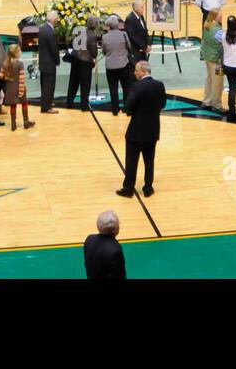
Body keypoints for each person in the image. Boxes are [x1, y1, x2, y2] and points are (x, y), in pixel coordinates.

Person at [117, 60, 166, 198]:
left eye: (137, 70)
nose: (134, 72)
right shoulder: (159, 85)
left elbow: (129, 106)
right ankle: (148, 187)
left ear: (143, 71)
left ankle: (128, 189)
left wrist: (132, 110)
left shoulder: (136, 86)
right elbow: (163, 104)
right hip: (153, 129)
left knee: (131, 161)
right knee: (149, 161)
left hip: (136, 130)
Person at [101, 15, 133, 116]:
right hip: (123, 65)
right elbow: (129, 47)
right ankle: (128, 109)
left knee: (113, 89)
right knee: (126, 88)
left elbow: (104, 51)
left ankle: (115, 110)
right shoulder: (124, 34)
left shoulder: (105, 37)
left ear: (108, 26)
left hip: (110, 67)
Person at [66, 16, 99, 111]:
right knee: (85, 85)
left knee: (73, 83)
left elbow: (72, 43)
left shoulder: (80, 31)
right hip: (85, 63)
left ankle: (69, 103)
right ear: (95, 25)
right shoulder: (92, 35)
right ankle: (84, 106)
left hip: (75, 60)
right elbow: (94, 53)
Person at [0, 43, 34, 131]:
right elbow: (22, 79)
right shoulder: (20, 64)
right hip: (19, 88)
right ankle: (26, 122)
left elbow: (1, 75)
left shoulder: (5, 64)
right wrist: (21, 91)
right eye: (19, 51)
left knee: (13, 106)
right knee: (24, 104)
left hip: (10, 90)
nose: (20, 52)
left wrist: (7, 77)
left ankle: (13, 124)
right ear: (16, 53)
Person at [84, 211, 126, 279]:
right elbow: (120, 275)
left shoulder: (89, 239)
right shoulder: (115, 249)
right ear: (114, 230)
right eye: (118, 225)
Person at [200, 7, 225, 113]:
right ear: (215, 17)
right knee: (218, 82)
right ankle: (217, 105)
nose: (222, 16)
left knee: (209, 79)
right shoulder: (217, 30)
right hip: (217, 59)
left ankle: (207, 101)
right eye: (220, 15)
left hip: (207, 57)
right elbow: (225, 40)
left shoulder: (207, 25)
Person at [36, 10, 59, 114]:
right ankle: (47, 107)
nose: (58, 20)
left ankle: (45, 102)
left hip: (42, 61)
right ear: (54, 20)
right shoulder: (51, 32)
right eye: (57, 18)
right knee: (49, 85)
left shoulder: (42, 28)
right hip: (49, 63)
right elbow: (54, 49)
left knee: (44, 85)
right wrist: (57, 61)